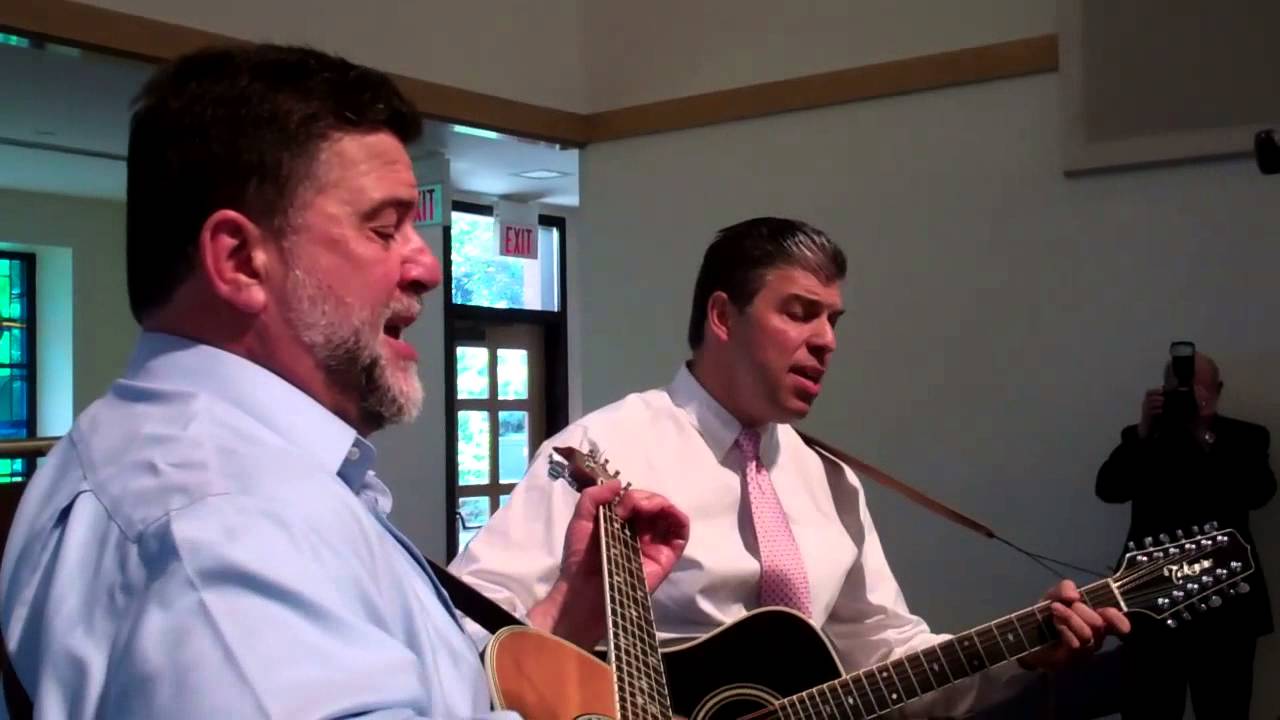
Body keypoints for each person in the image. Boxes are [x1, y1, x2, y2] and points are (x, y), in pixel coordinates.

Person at [0, 43, 690, 719]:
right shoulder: (222, 536)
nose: (428, 267)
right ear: (241, 261)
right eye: (384, 229)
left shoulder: (192, 464)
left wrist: (564, 617)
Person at [451, 217, 1130, 717]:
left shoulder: (830, 484)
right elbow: (472, 625)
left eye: (833, 320)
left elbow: (886, 659)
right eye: (800, 313)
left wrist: (1025, 655)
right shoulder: (600, 455)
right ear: (723, 315)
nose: (826, 341)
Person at [1097, 350, 1274, 719]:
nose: (1189, 397)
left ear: (1218, 389)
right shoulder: (1143, 440)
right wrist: (1144, 431)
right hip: (1150, 606)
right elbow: (1109, 489)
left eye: (1199, 388)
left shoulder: (1246, 438)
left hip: (1227, 607)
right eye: (1179, 390)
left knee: (1225, 710)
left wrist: (1202, 433)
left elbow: (1259, 493)